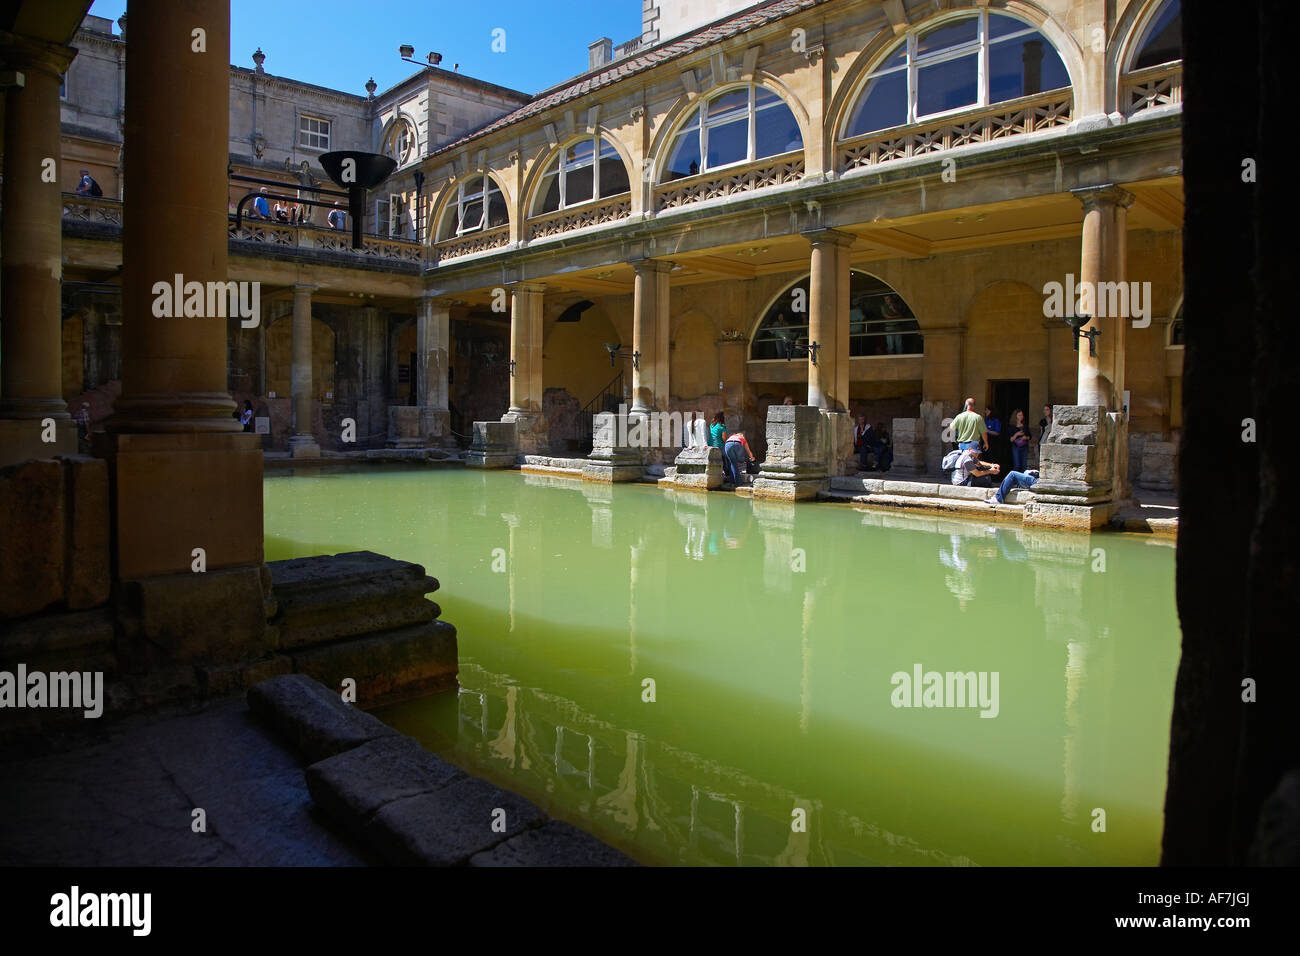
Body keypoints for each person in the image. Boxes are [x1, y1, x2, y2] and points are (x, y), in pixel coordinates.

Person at [1008, 408, 1032, 473]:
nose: (1021, 416)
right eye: (1019, 415)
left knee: (1024, 465)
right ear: (1015, 416)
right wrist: (1017, 434)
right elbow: (1011, 439)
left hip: (1024, 446)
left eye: (1022, 415)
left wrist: (1025, 437)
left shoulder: (1025, 426)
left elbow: (1030, 437)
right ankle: (1014, 480)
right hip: (1016, 446)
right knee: (1017, 465)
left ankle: (1022, 481)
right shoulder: (1012, 427)